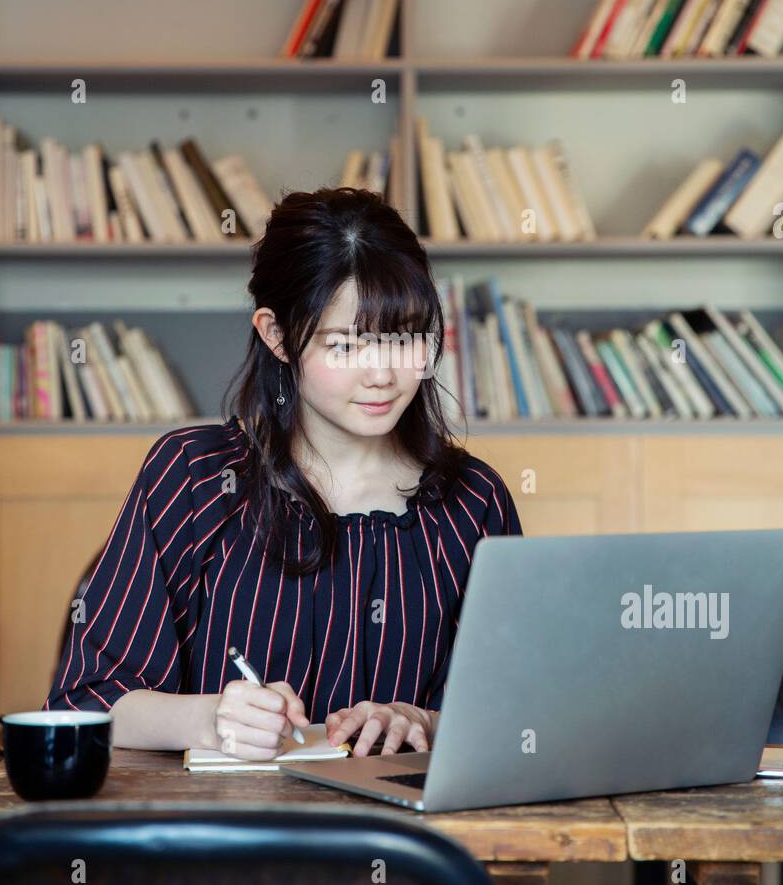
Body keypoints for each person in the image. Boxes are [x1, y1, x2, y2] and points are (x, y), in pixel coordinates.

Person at [45, 187, 522, 758]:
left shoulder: (473, 500)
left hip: (409, 838)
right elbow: (87, 702)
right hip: (226, 834)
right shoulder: (193, 477)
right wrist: (213, 717)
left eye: (406, 340)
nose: (383, 375)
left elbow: (517, 714)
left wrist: (422, 721)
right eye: (345, 345)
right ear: (276, 336)